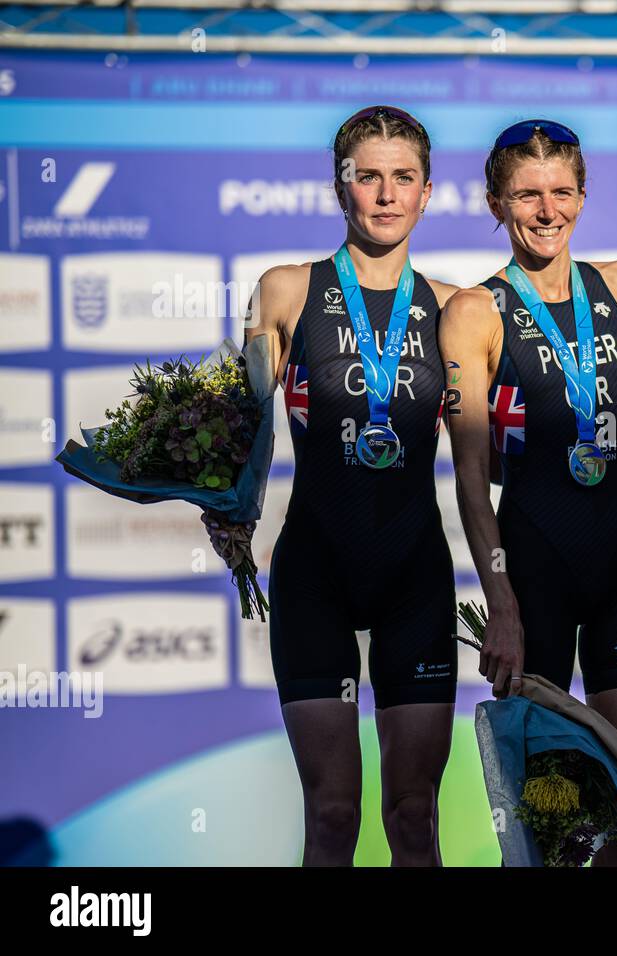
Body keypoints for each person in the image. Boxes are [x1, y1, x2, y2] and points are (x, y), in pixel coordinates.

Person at [206, 105, 460, 866]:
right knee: (332, 814)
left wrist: (616, 466)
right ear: (339, 186)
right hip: (315, 569)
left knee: (414, 816)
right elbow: (233, 424)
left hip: (416, 575)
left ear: (425, 192)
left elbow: (503, 438)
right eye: (368, 176)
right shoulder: (287, 289)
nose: (386, 195)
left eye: (403, 178)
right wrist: (220, 504)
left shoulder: (454, 305)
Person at [439, 119, 617, 867]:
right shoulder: (474, 312)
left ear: (584, 193)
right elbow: (473, 477)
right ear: (495, 203)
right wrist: (501, 607)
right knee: (557, 830)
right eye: (527, 195)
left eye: (563, 192)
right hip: (533, 576)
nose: (548, 211)